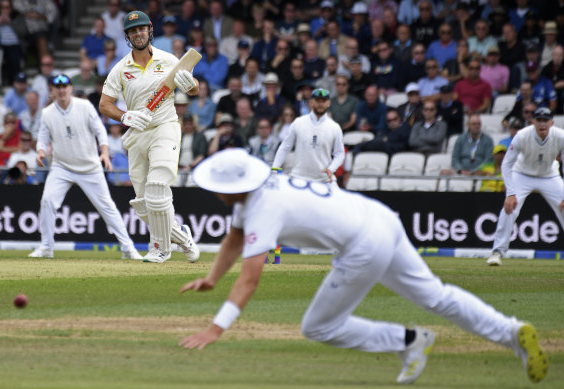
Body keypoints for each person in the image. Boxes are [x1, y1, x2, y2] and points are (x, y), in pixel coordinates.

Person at [179, 147, 548, 386]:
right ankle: (512, 332)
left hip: (362, 245)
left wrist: (216, 328)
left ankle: (410, 341)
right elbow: (234, 237)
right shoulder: (259, 191)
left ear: (232, 187)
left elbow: (250, 279)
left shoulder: (262, 208)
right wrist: (212, 278)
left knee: (318, 326)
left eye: (216, 188)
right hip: (380, 218)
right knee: (437, 296)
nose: (215, 194)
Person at [99, 10, 200, 263]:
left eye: (141, 29)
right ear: (128, 36)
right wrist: (125, 117)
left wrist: (191, 86)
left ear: (150, 30)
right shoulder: (121, 68)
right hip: (137, 134)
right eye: (133, 31)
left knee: (157, 187)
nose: (138, 34)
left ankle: (160, 248)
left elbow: (194, 87)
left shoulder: (168, 60)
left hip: (164, 127)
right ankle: (183, 236)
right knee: (144, 204)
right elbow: (104, 104)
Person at [28, 74, 141, 260]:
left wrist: (104, 153)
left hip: (89, 166)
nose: (62, 90)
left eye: (65, 86)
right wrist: (40, 151)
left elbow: (100, 132)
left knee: (107, 207)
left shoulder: (84, 106)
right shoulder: (47, 113)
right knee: (47, 201)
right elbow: (42, 138)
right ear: (53, 91)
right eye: (58, 87)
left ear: (70, 89)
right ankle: (46, 247)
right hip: (61, 167)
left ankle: (128, 248)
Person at [487, 107, 564, 266]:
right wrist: (511, 193)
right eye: (539, 120)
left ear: (552, 122)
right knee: (510, 208)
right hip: (522, 174)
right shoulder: (522, 136)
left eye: (545, 120)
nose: (542, 124)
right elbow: (507, 165)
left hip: (549, 175)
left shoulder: (561, 136)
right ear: (533, 121)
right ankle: (497, 252)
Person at [272, 88, 344, 184]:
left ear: (328, 103)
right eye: (317, 101)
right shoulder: (298, 122)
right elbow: (285, 147)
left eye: (323, 101)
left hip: (324, 179)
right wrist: (274, 168)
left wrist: (331, 169)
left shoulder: (335, 127)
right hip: (298, 178)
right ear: (311, 103)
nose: (320, 104)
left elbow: (339, 153)